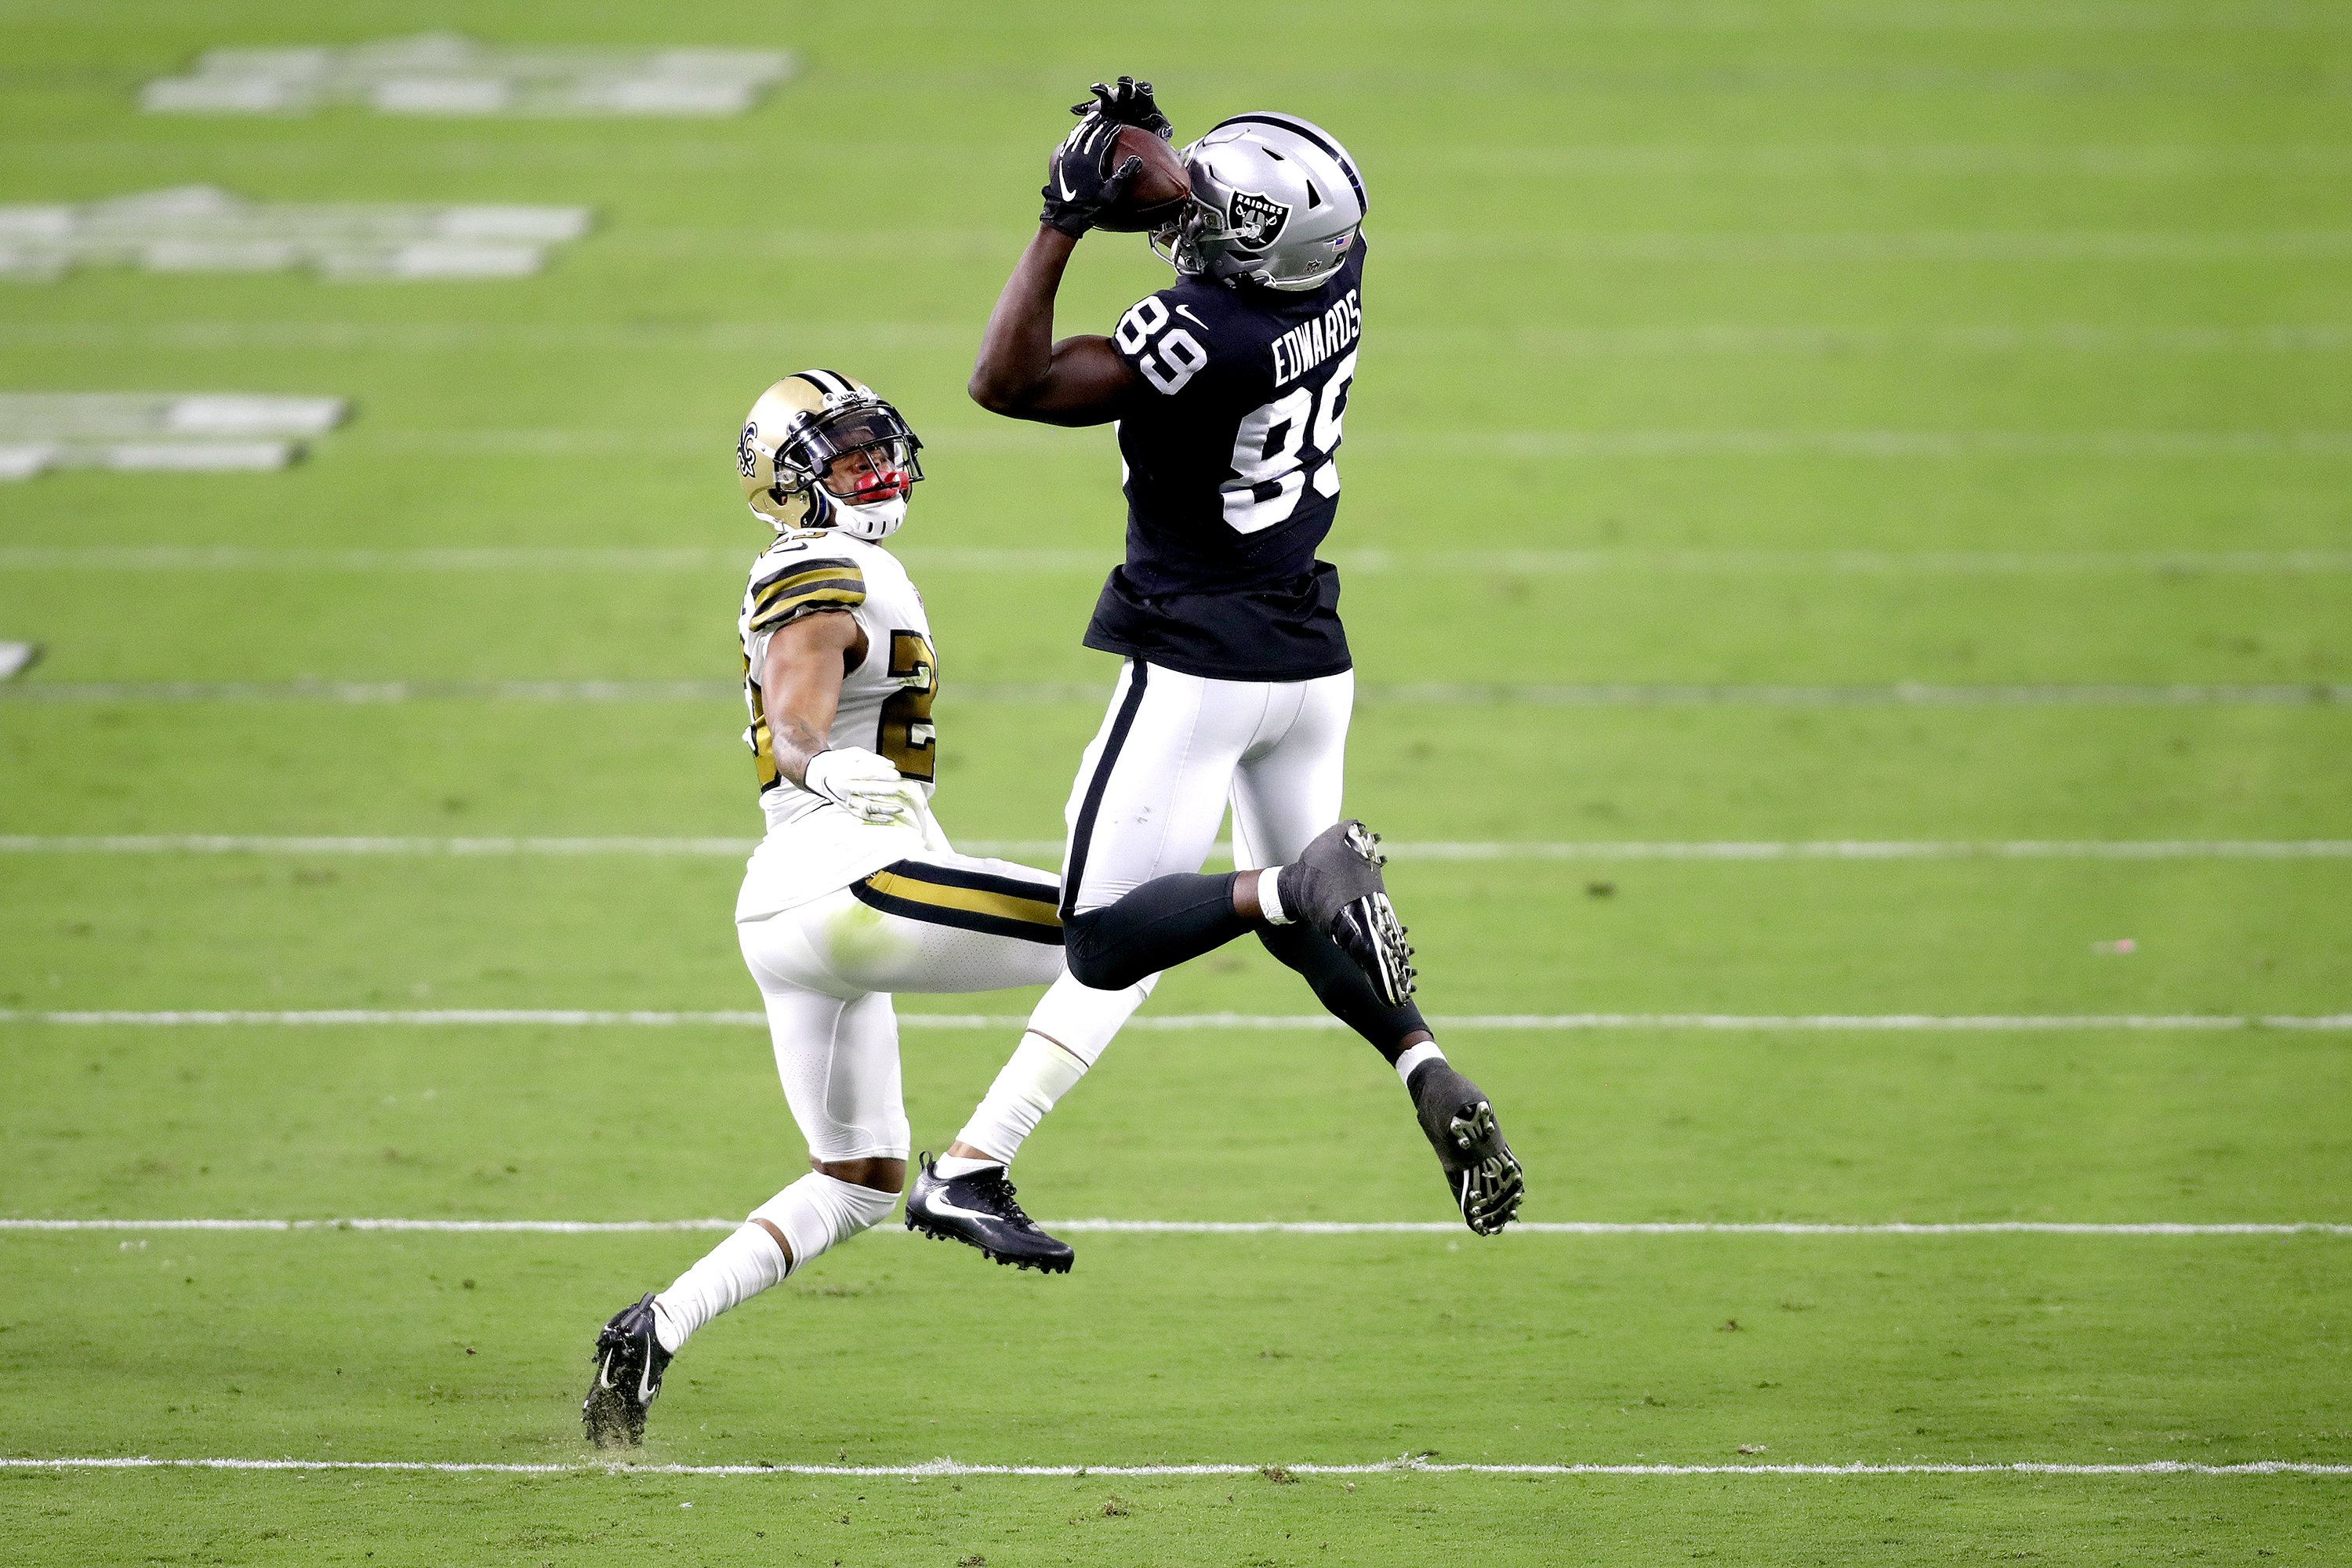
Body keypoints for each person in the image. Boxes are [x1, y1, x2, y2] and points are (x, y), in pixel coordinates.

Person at [902, 82, 1523, 1272]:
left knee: (1111, 935)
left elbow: (1007, 381)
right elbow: (1251, 222)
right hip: (1308, 656)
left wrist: (1063, 220)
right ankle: (1419, 1059)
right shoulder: (1334, 269)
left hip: (1196, 666)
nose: (1191, 214)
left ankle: (1291, 889)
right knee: (1267, 929)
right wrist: (1172, 167)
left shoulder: (1217, 336)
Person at [582, 370, 1152, 1448]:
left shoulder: (834, 559)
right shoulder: (822, 566)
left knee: (855, 1183)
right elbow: (798, 711)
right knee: (1130, 936)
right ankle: (977, 1166)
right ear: (787, 486)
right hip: (843, 880)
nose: (874, 471)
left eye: (876, 449)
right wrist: (822, 766)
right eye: (844, 460)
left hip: (792, 912)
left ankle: (653, 1326)